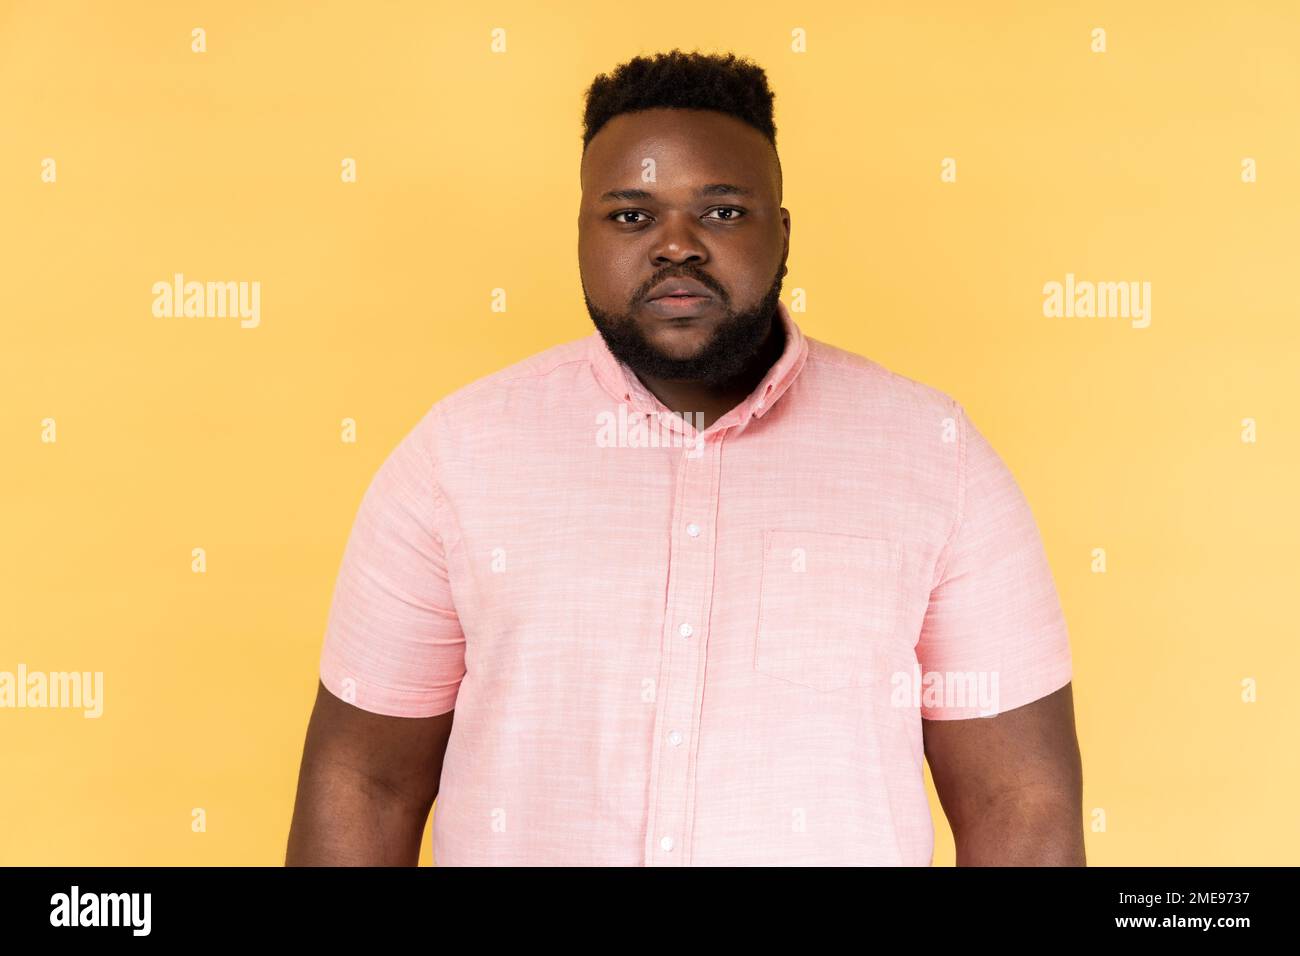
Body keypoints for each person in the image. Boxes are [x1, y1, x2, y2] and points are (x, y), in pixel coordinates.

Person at [286, 49, 1083, 866]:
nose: (677, 247)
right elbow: (364, 781)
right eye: (631, 215)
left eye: (723, 212)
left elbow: (1018, 803)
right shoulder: (454, 458)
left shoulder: (936, 457)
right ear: (583, 237)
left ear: (783, 234)